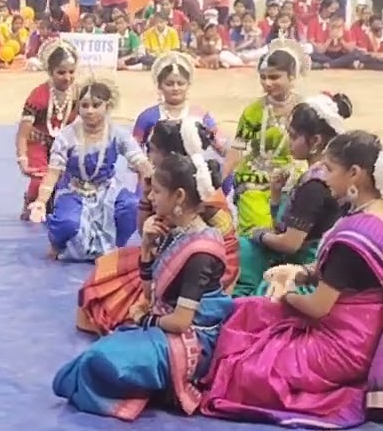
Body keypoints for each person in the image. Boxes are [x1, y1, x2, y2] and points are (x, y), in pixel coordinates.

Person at [200, 130, 383, 429]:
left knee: (247, 372)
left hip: (343, 344)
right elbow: (348, 276)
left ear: (355, 173)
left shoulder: (356, 235)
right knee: (246, 309)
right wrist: (302, 272)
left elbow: (317, 308)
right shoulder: (371, 215)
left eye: (331, 169)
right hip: (356, 330)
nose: (324, 177)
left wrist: (286, 293)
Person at [52, 151, 233, 420]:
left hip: (191, 341)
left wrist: (143, 318)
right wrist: (147, 248)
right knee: (86, 361)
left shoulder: (201, 252)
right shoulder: (176, 232)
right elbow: (151, 293)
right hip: (164, 328)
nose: (149, 197)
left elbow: (181, 321)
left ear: (179, 197)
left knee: (100, 362)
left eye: (157, 191)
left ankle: (157, 386)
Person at [77, 118, 240, 334]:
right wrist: (148, 203)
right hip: (168, 251)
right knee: (105, 272)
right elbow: (146, 227)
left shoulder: (199, 191)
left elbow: (217, 245)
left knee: (108, 301)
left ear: (168, 153)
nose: (148, 156)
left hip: (199, 268)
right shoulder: (164, 183)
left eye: (151, 149)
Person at [233, 93, 351, 297]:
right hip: (314, 258)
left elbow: (290, 243)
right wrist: (276, 196)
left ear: (315, 140)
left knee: (244, 248)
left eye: (294, 136)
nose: (289, 141)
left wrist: (258, 235)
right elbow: (287, 228)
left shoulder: (315, 184)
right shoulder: (326, 174)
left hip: (306, 267)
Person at [28, 75, 152, 262]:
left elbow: (141, 162)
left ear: (107, 106)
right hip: (74, 191)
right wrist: (40, 202)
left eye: (96, 105)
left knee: (130, 206)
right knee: (67, 224)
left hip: (108, 191)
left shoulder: (117, 133)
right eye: (84, 105)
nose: (89, 111)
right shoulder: (67, 136)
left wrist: (152, 190)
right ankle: (58, 245)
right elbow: (54, 172)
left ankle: (114, 248)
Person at [222, 42, 307, 235]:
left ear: (292, 76)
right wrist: (221, 184)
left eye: (275, 77)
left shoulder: (306, 109)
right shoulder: (253, 111)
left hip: (295, 178)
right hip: (256, 180)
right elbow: (237, 148)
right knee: (258, 233)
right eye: (263, 78)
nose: (267, 83)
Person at [15, 38, 78, 220]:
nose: (67, 77)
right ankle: (31, 202)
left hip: (67, 146)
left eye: (72, 72)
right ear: (50, 72)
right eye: (61, 72)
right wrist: (23, 159)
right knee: (38, 183)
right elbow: (23, 134)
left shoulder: (79, 93)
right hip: (38, 143)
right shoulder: (38, 96)